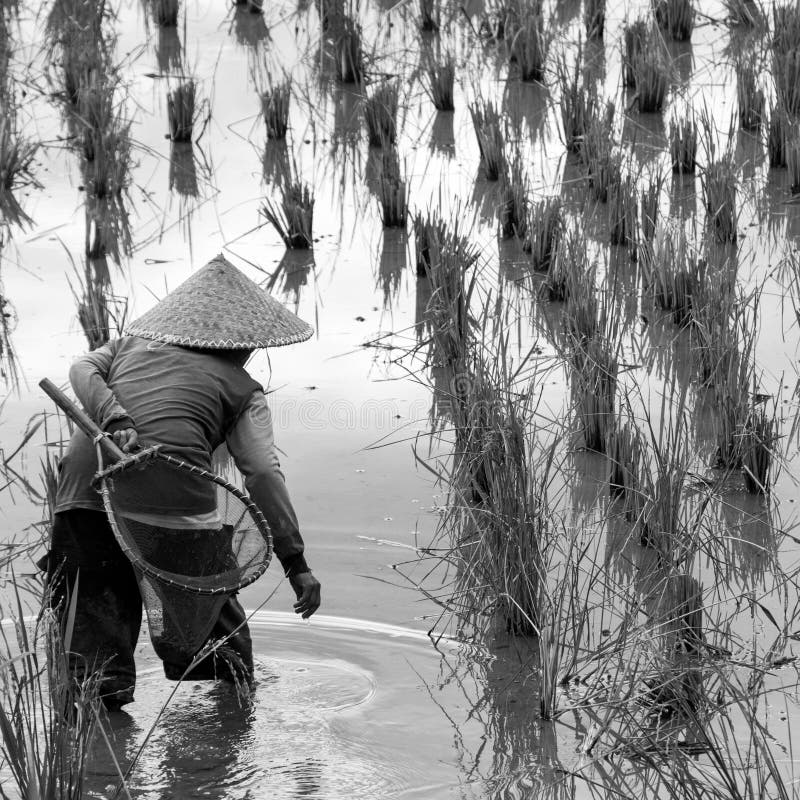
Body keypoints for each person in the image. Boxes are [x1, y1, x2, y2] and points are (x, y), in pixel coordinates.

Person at [40, 253, 321, 711]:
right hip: (174, 513)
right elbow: (263, 473)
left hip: (83, 499)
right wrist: (296, 563)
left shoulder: (124, 347)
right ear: (247, 346)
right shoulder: (242, 388)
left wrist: (113, 415)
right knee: (225, 656)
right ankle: (216, 760)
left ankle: (94, 771)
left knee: (92, 666)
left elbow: (79, 369)